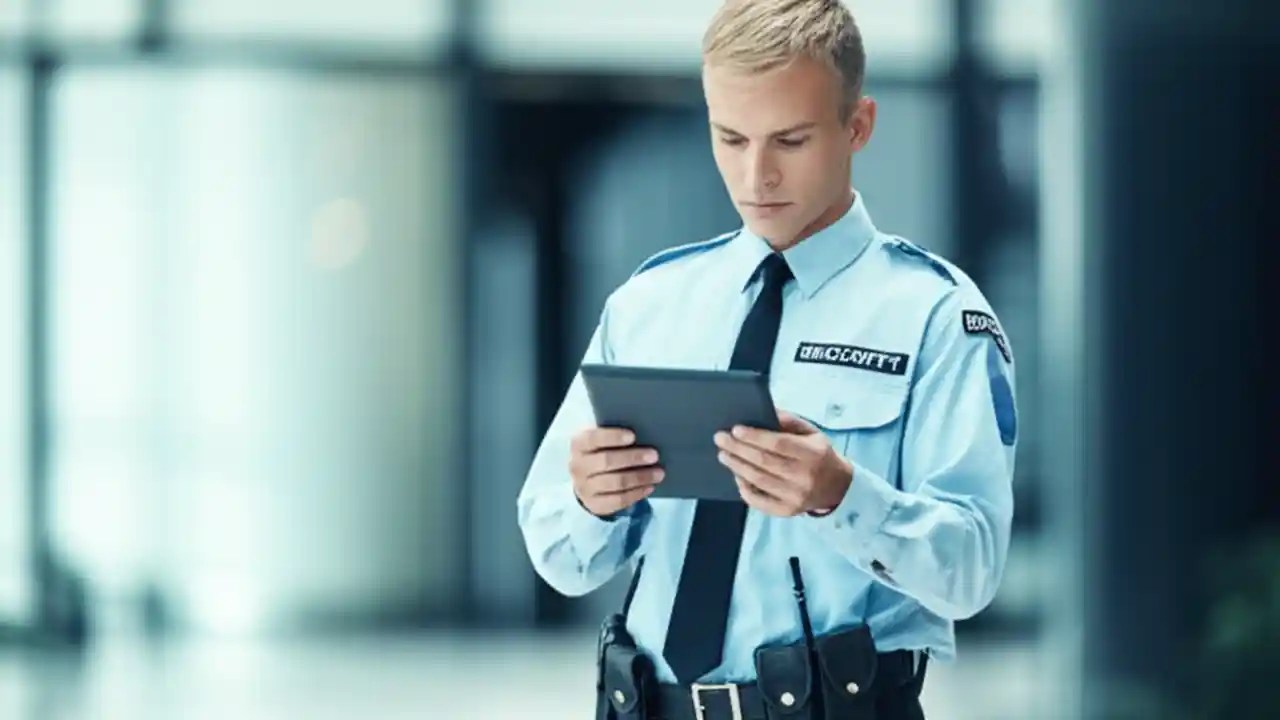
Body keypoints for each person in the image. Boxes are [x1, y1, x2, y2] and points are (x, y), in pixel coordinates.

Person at [517, 1, 1017, 717]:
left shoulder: (934, 315)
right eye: (731, 138)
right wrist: (590, 502)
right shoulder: (649, 305)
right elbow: (559, 558)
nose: (757, 176)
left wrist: (841, 495)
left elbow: (971, 571)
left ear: (858, 126)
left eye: (790, 140)